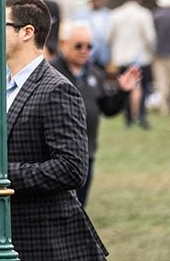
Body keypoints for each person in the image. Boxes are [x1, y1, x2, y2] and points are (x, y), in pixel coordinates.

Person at [0, 0, 106, 260]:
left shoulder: (56, 89)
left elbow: (72, 169)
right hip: (0, 230)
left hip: (44, 238)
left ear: (27, 32)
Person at [51, 21, 141, 207]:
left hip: (86, 153)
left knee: (80, 206)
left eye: (89, 46)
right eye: (79, 45)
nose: (85, 50)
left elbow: (108, 108)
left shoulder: (95, 73)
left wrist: (122, 91)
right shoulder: (51, 72)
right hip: (56, 155)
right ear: (64, 45)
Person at [107, 0, 156, 129]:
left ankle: (128, 117)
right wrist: (152, 52)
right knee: (141, 87)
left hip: (121, 57)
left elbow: (109, 37)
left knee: (125, 87)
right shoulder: (144, 14)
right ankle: (140, 115)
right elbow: (150, 37)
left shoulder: (116, 14)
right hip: (140, 57)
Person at [151, 0, 170, 115]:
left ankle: (164, 106)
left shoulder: (156, 16)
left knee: (162, 81)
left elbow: (152, 36)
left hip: (159, 53)